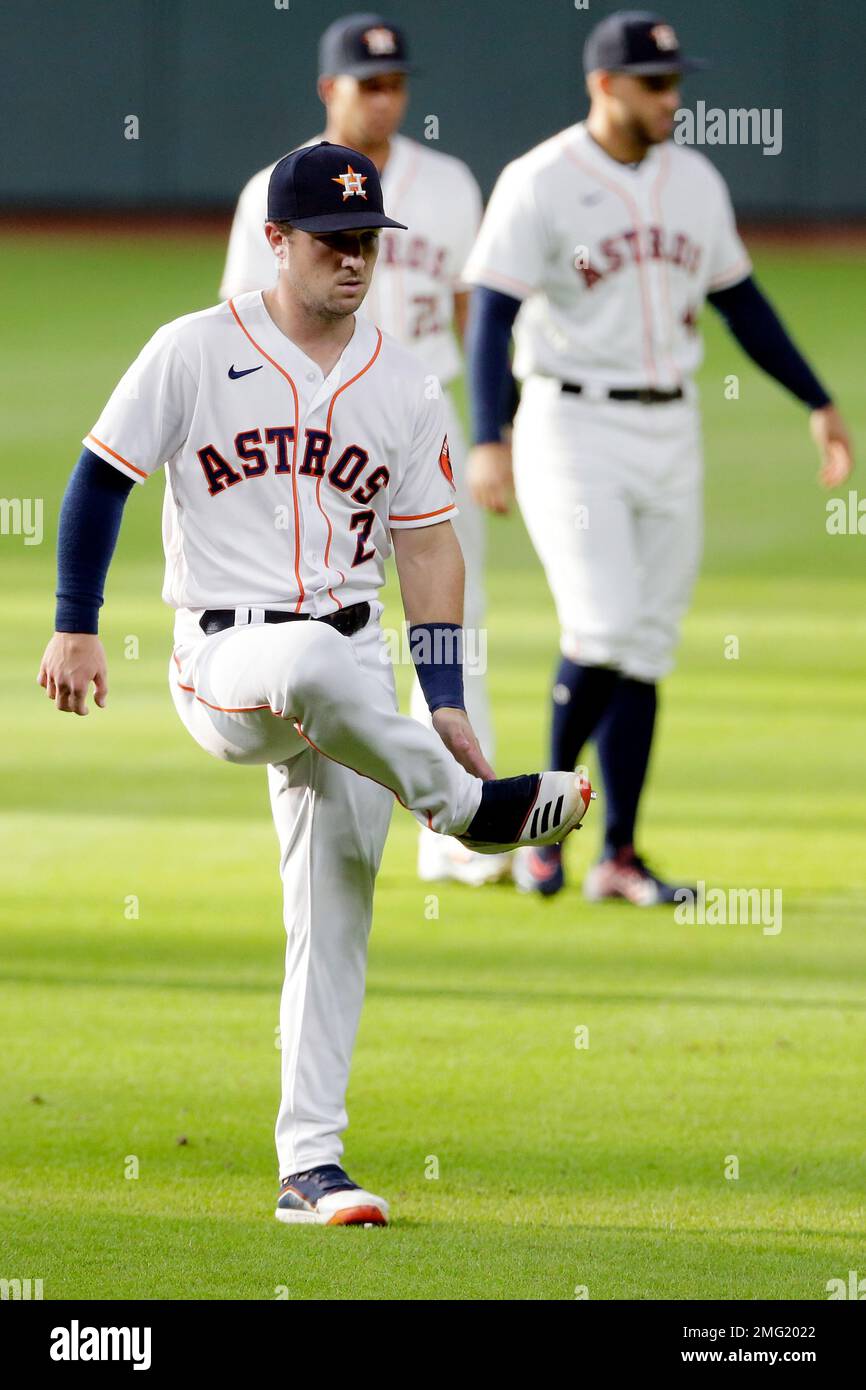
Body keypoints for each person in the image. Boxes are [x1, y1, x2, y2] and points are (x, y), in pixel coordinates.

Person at [37, 142, 593, 1227]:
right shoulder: (192, 350)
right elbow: (99, 477)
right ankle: (464, 808)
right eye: (332, 242)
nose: (354, 260)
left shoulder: (399, 378)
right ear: (275, 239)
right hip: (226, 660)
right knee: (306, 659)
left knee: (336, 914)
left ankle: (312, 1167)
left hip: (356, 672)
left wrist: (442, 697)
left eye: (367, 243)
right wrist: (75, 625)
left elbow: (429, 552)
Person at [461, 9, 854, 905]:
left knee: (644, 646)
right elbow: (491, 313)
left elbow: (742, 301)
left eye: (676, 83)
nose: (672, 98)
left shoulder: (695, 182)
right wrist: (490, 435)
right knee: (600, 625)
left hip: (672, 426)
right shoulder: (541, 180)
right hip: (571, 422)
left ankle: (619, 856)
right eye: (654, 84)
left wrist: (818, 401)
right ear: (605, 86)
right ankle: (542, 824)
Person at [221, 11, 506, 886]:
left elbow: (470, 312)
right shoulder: (275, 189)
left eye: (395, 83)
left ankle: (458, 822)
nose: (384, 99)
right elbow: (243, 325)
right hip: (311, 436)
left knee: (454, 613)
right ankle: (347, 810)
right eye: (367, 83)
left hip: (423, 415)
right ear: (328, 88)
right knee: (332, 616)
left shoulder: (451, 182)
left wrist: (493, 427)